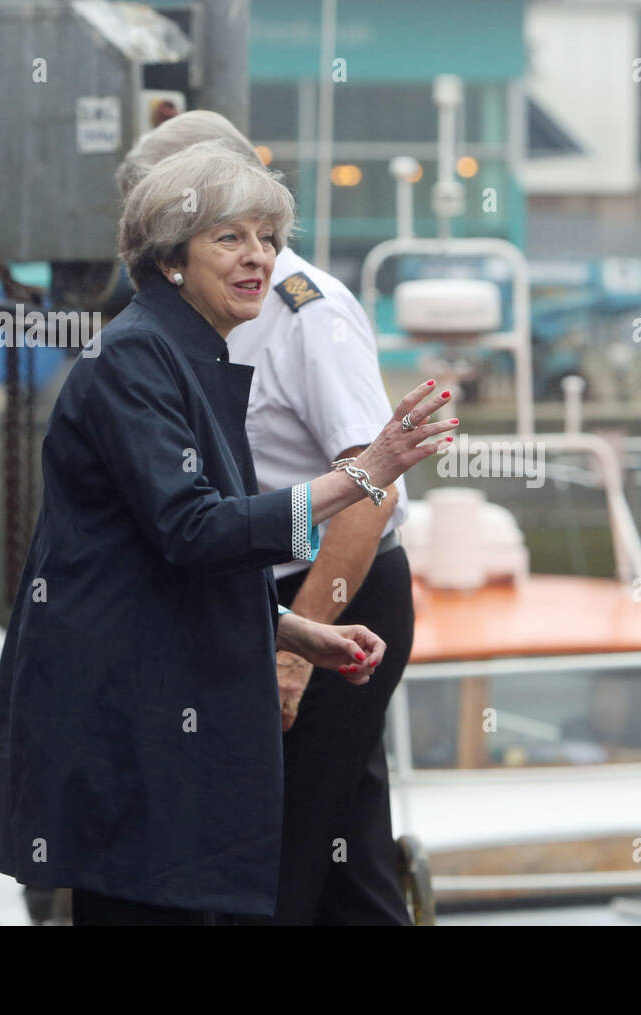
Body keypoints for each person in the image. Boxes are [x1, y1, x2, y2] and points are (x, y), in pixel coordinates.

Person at [0, 141, 458, 925]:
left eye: (266, 237)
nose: (257, 257)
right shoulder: (139, 360)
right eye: (230, 238)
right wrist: (367, 470)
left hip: (158, 684)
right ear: (169, 258)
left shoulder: (186, 353)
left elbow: (165, 548)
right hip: (126, 709)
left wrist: (289, 628)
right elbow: (192, 530)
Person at [117, 111, 427, 924]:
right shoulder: (207, 318)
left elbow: (371, 491)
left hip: (335, 589)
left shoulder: (303, 309)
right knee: (343, 848)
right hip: (272, 594)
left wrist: (296, 652)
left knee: (283, 851)